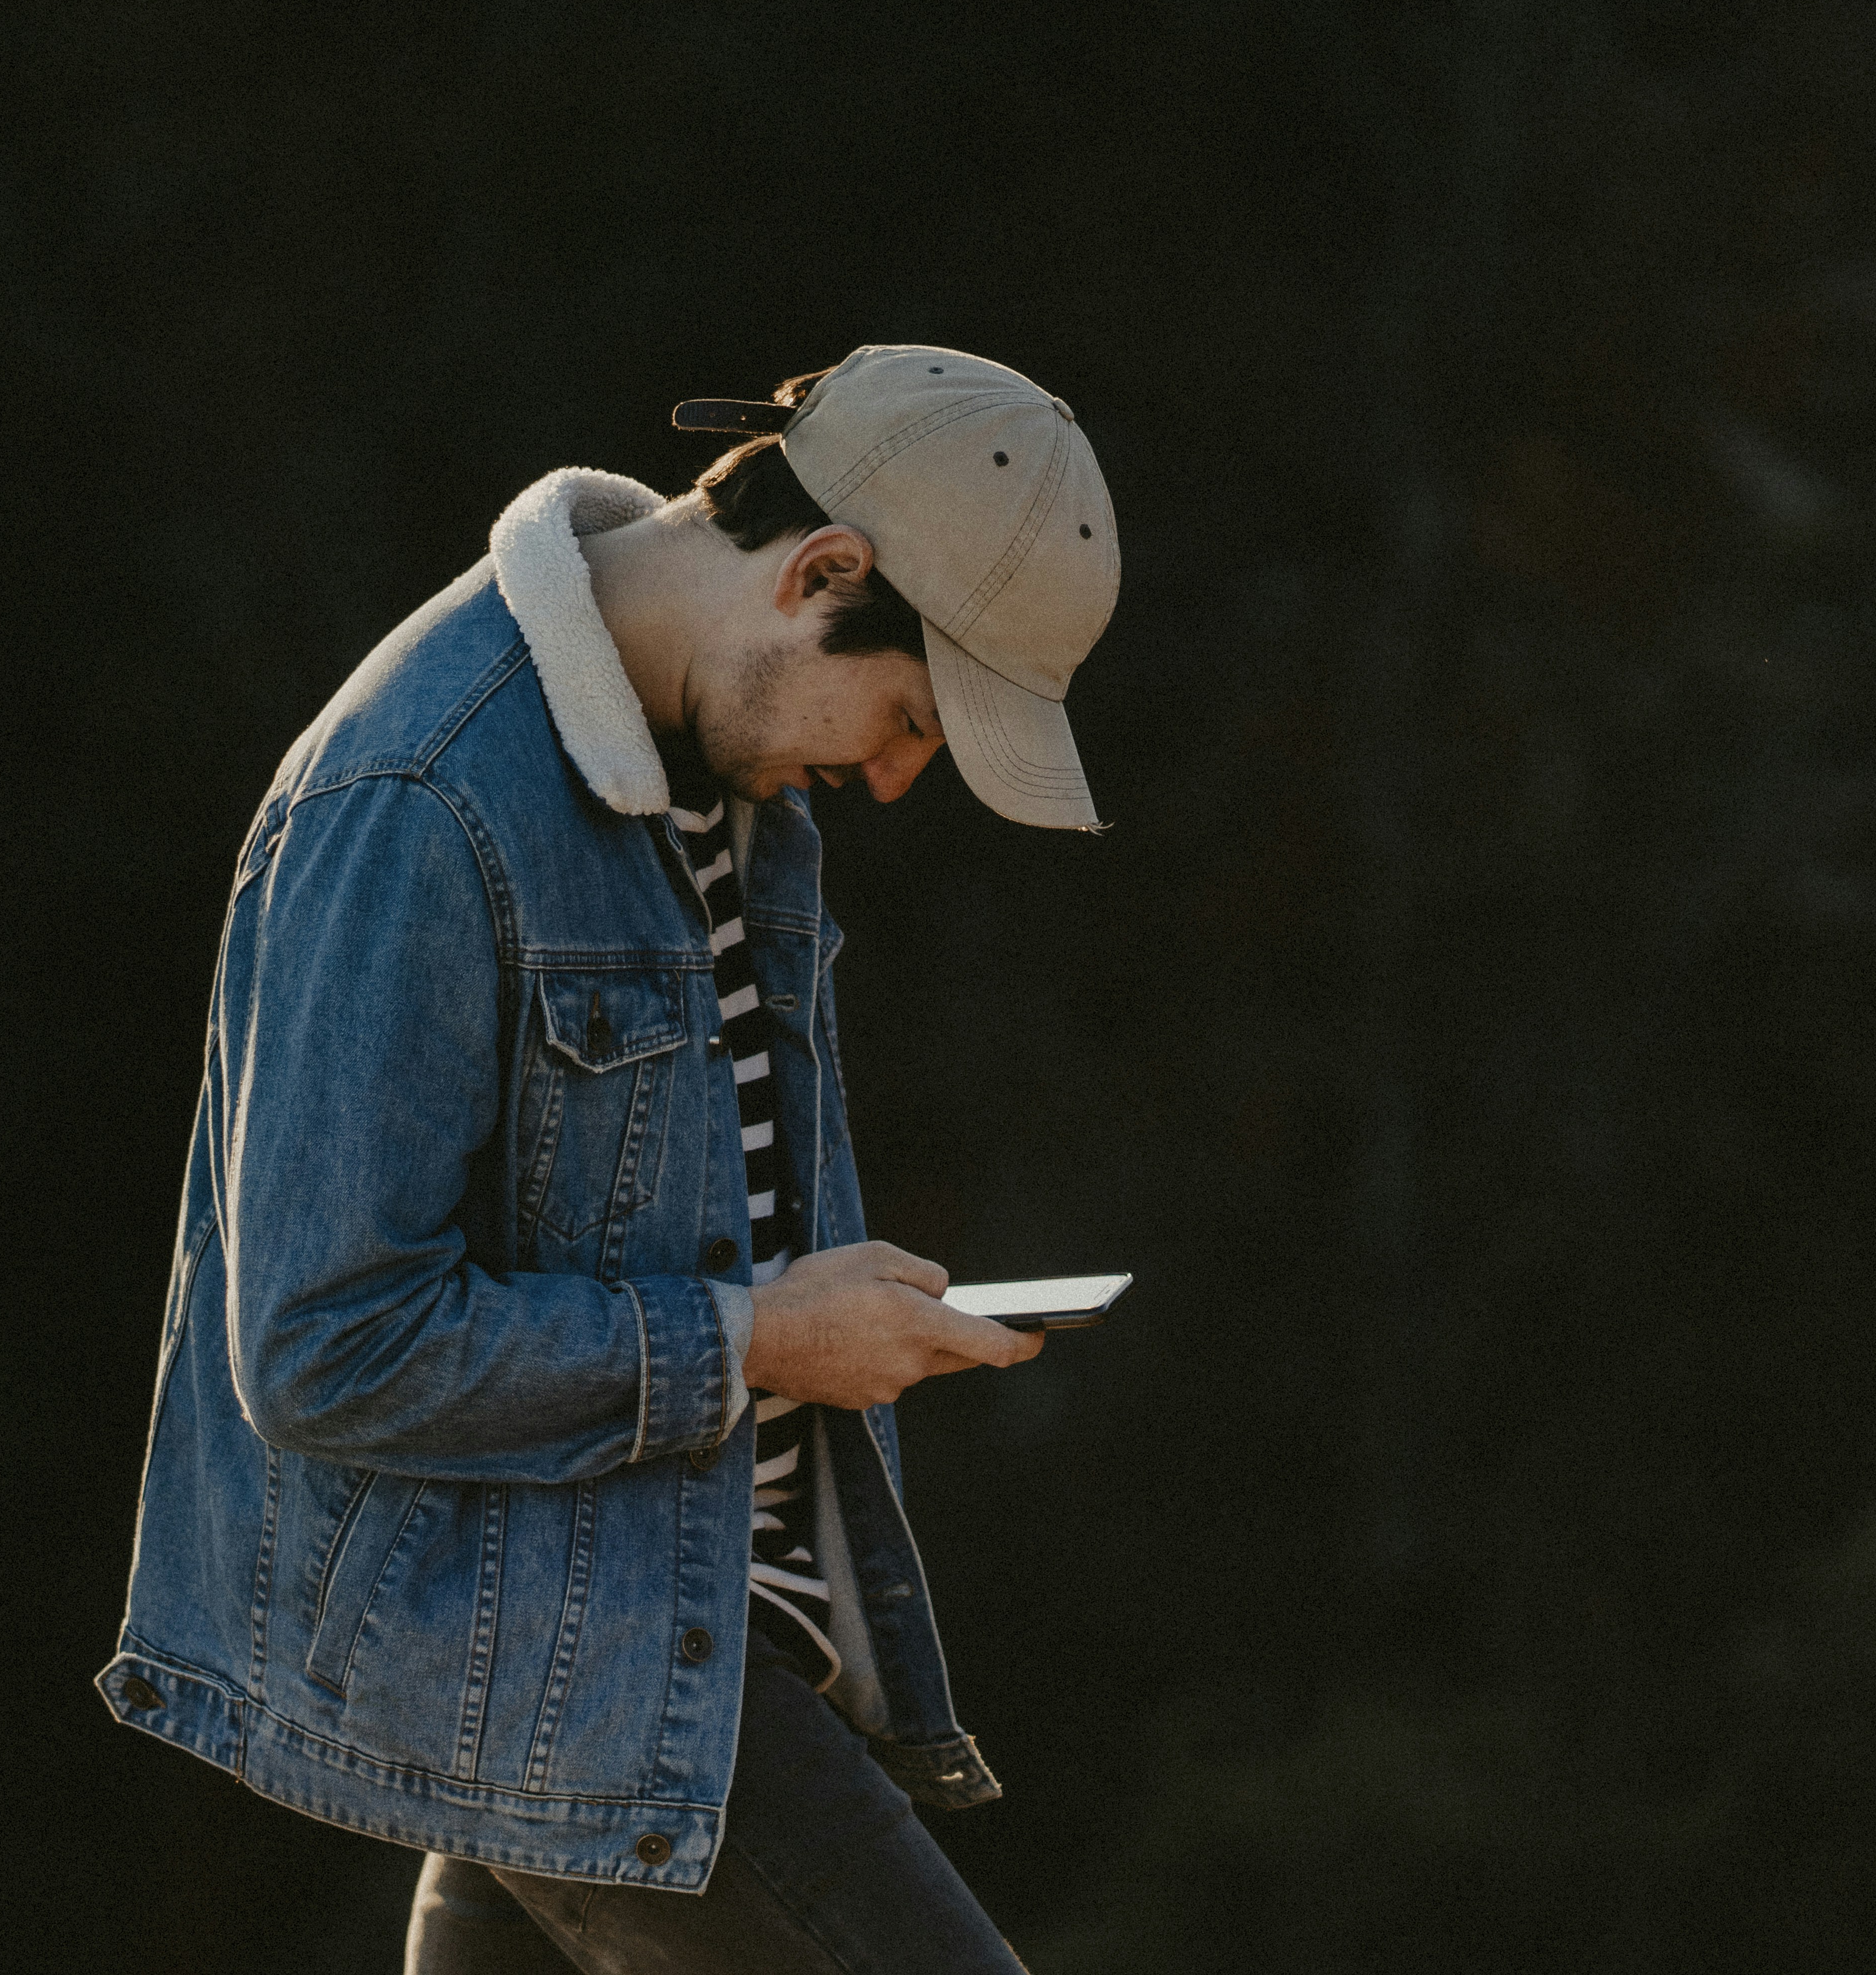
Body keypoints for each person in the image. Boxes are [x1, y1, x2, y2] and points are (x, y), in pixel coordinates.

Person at [96, 343, 1123, 1972]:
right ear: (823, 573)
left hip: (663, 1654)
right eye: (914, 716)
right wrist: (767, 1338)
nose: (898, 777)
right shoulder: (421, 796)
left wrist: (806, 1321)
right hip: (607, 1690)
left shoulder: (726, 777)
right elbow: (319, 1345)